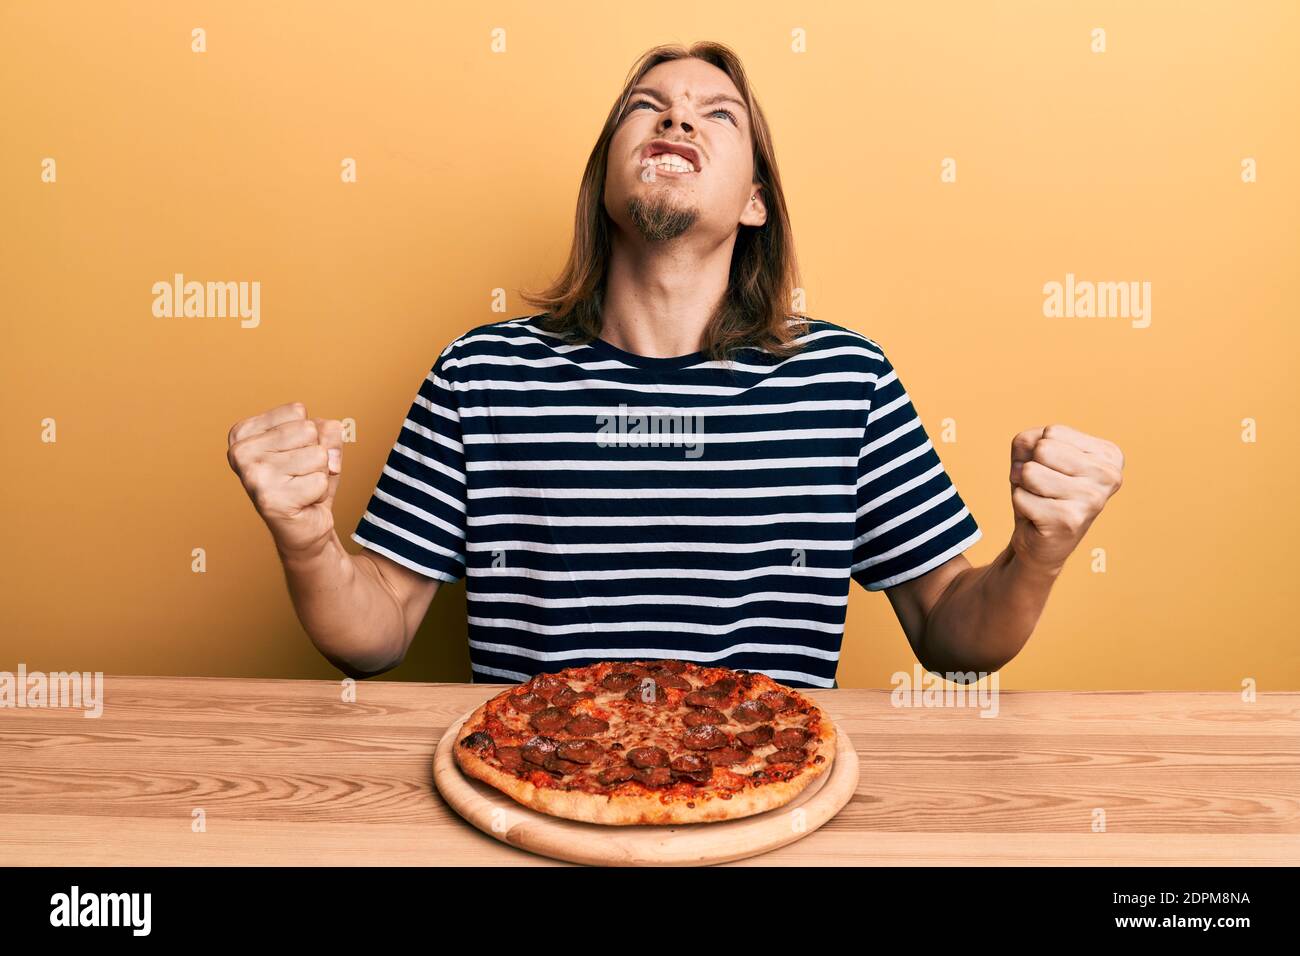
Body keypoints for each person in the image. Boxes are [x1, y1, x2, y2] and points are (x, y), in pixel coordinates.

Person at [226, 41, 1124, 688]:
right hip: (535, 807)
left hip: (767, 808)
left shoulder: (846, 380)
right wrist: (308, 540)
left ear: (757, 203)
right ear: (605, 179)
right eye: (646, 106)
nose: (678, 114)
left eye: (716, 114)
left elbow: (950, 635)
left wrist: (1036, 557)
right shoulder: (479, 375)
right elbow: (375, 634)